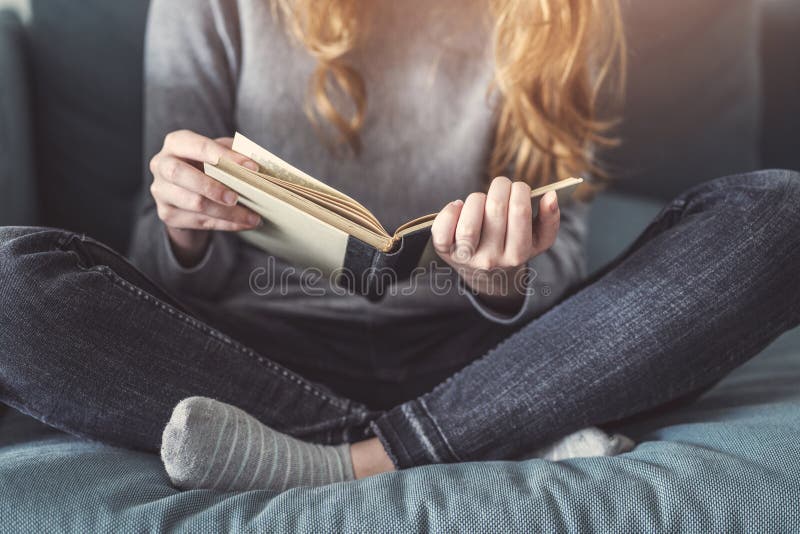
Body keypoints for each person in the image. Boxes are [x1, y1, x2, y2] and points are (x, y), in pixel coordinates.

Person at [1, 0, 798, 494]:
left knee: (780, 215)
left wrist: (499, 277)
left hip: (485, 359)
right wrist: (183, 223)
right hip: (242, 358)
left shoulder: (557, 15)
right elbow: (152, 260)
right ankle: (489, 435)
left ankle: (348, 456)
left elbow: (557, 264)